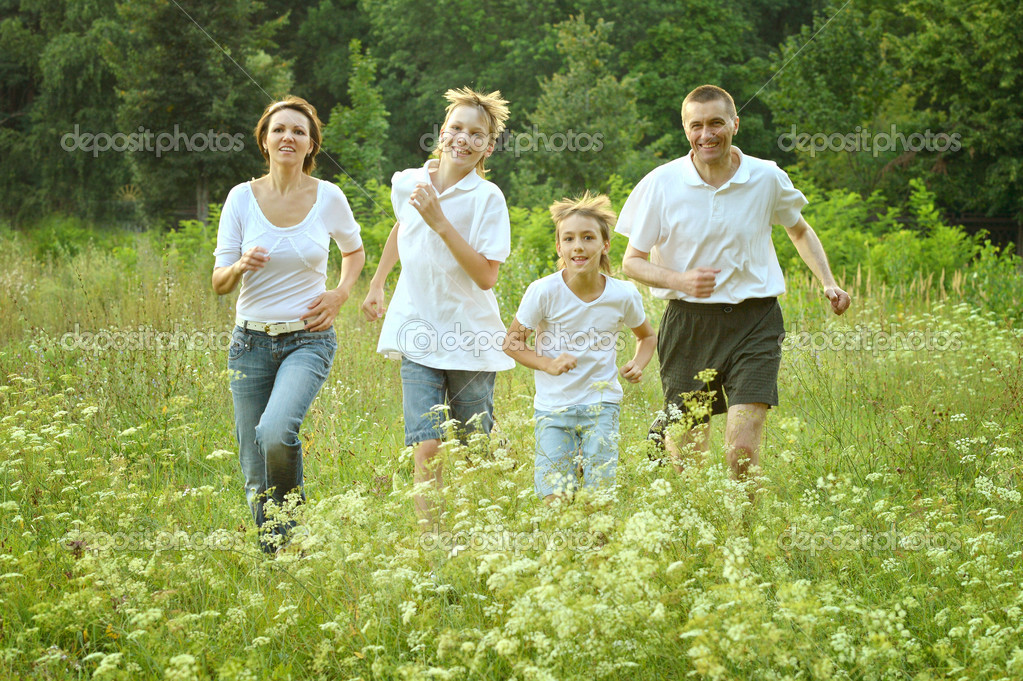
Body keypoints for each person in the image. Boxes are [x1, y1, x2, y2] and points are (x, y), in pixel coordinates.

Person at [617, 84, 850, 483]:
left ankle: (744, 526)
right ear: (686, 130)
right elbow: (631, 263)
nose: (706, 134)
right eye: (697, 125)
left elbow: (799, 230)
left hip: (755, 321)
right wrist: (680, 280)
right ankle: (689, 510)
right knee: (688, 453)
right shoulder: (661, 183)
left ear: (735, 124)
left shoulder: (767, 177)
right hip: (688, 323)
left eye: (716, 123)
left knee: (741, 447)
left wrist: (828, 281)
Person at [212, 96, 365, 553]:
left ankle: (291, 529)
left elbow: (353, 252)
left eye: (299, 131)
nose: (288, 137)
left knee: (275, 433)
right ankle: (276, 554)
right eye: (279, 129)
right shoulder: (241, 198)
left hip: (308, 339)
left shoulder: (328, 197)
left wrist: (339, 295)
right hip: (250, 343)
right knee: (253, 461)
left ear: (311, 144)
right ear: (264, 139)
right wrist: (240, 265)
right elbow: (219, 282)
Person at [361, 87, 514, 528]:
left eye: (477, 134)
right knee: (427, 447)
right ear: (442, 132)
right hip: (417, 330)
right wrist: (377, 283)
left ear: (489, 145)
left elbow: (486, 275)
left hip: (469, 336)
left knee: (473, 449)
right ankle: (435, 549)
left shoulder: (488, 199)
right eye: (457, 129)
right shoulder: (408, 181)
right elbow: (401, 229)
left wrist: (441, 223)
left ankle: (485, 525)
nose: (464, 139)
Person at [503, 192, 657, 502]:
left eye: (588, 237)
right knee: (555, 497)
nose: (578, 246)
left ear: (605, 245)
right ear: (559, 246)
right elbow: (512, 343)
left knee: (597, 497)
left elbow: (647, 337)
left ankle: (597, 549)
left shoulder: (623, 294)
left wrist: (638, 363)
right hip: (553, 408)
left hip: (602, 406)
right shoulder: (543, 291)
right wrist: (548, 364)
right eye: (569, 238)